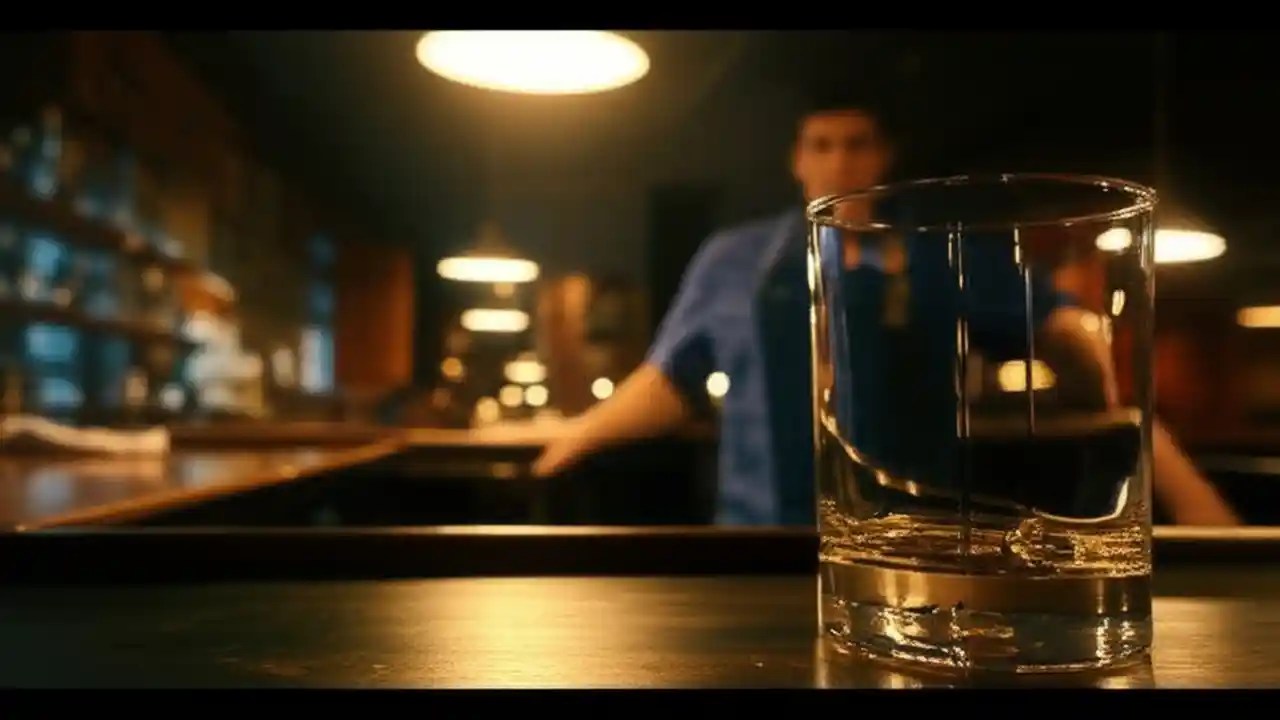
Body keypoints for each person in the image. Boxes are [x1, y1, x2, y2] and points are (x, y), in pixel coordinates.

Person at [534, 93, 1240, 527]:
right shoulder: (734, 258)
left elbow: (1063, 327)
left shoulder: (942, 251)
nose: (839, 162)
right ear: (797, 159)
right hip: (755, 537)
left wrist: (1171, 476)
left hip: (917, 538)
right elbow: (668, 380)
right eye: (822, 145)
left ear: (883, 157)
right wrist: (576, 436)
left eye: (856, 144)